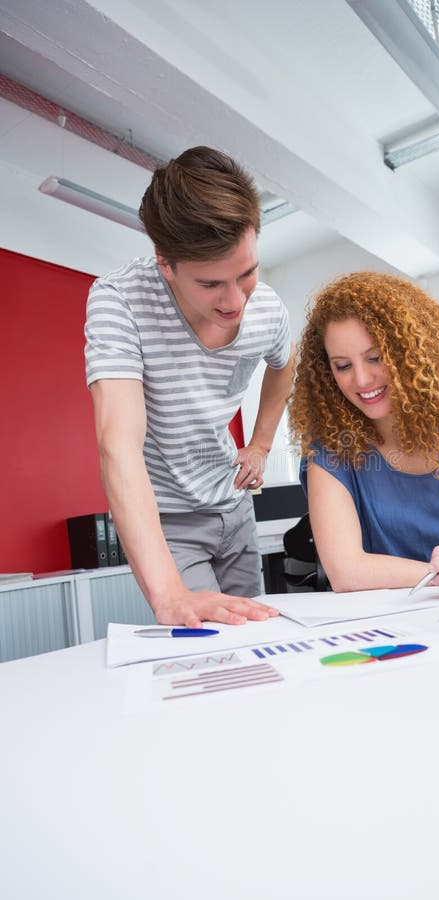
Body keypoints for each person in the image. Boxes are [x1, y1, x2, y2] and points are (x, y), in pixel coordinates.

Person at [85, 146, 295, 626]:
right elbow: (118, 445)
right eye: (210, 284)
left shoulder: (265, 309)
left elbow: (286, 365)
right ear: (166, 263)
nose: (234, 300)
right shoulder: (120, 301)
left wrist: (260, 444)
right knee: (211, 646)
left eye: (246, 274)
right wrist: (168, 594)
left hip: (234, 505)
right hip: (171, 520)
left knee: (258, 639)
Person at [288, 271, 439, 601]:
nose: (362, 379)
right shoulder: (330, 449)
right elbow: (344, 571)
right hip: (389, 621)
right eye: (342, 366)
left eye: (375, 358)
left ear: (412, 353)